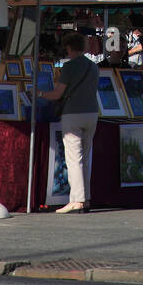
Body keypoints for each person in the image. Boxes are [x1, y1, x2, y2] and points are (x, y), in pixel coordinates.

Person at [39, 31, 99, 214]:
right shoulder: (93, 67)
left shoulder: (69, 67)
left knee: (74, 158)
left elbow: (57, 94)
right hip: (92, 113)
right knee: (86, 157)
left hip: (73, 114)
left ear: (69, 47)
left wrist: (39, 94)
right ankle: (86, 198)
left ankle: (77, 200)